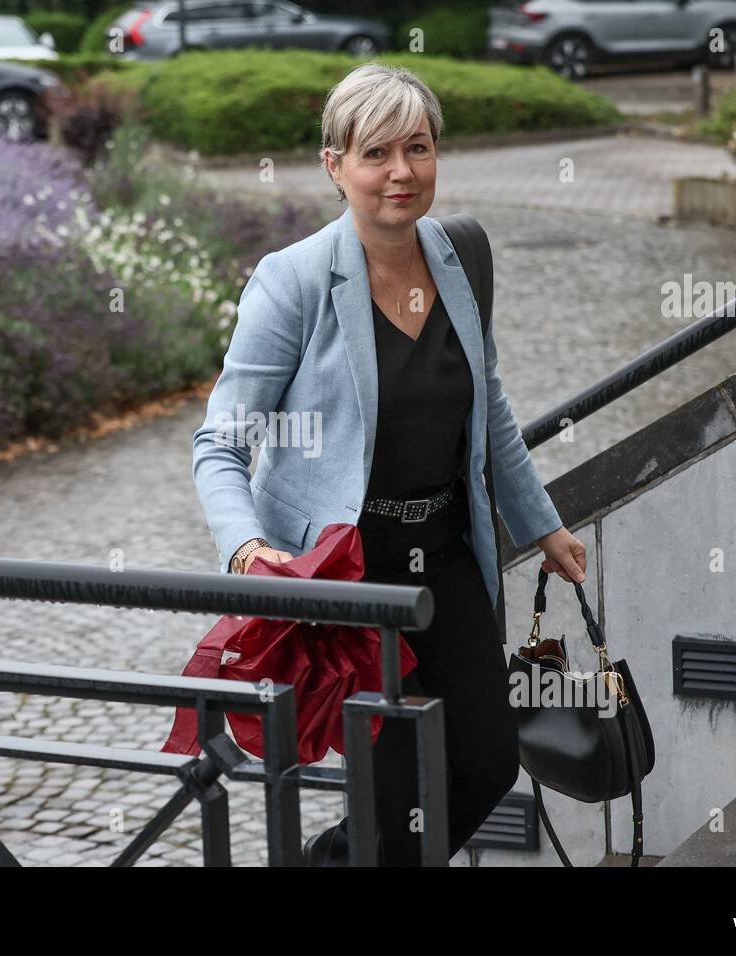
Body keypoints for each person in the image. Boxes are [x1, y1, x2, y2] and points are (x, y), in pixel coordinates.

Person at [190, 62, 587, 866]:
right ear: (335, 166)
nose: (401, 172)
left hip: (443, 555)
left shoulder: (458, 256)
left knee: (484, 761)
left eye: (418, 147)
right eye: (376, 153)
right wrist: (244, 548)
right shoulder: (292, 281)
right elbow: (221, 441)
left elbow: (492, 417)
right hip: (348, 575)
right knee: (395, 790)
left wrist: (543, 526)